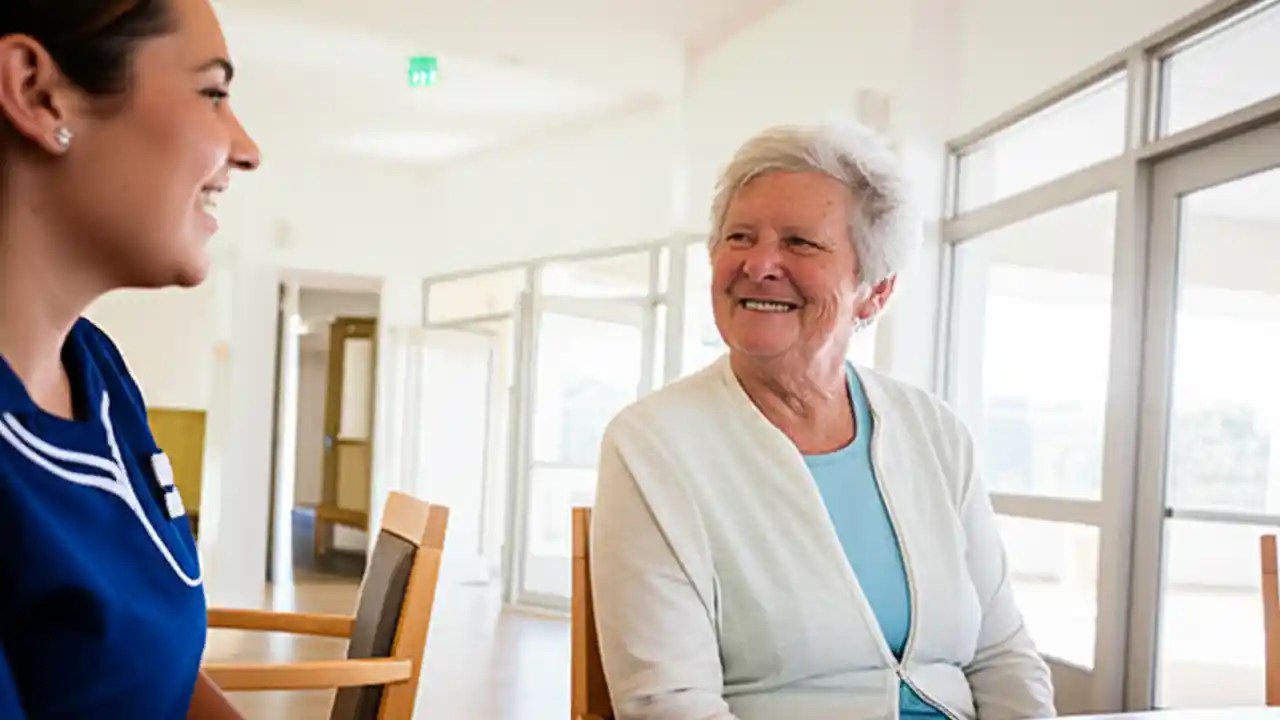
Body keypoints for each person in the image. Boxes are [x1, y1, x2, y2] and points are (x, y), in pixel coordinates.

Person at [591, 122, 1055, 720]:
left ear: (875, 292)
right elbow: (669, 703)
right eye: (739, 236)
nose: (759, 265)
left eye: (800, 244)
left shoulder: (933, 431)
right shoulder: (654, 442)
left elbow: (1001, 654)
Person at [0, 0, 260, 717]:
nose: (246, 149)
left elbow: (158, 676)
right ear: (36, 92)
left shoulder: (96, 368)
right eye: (213, 92)